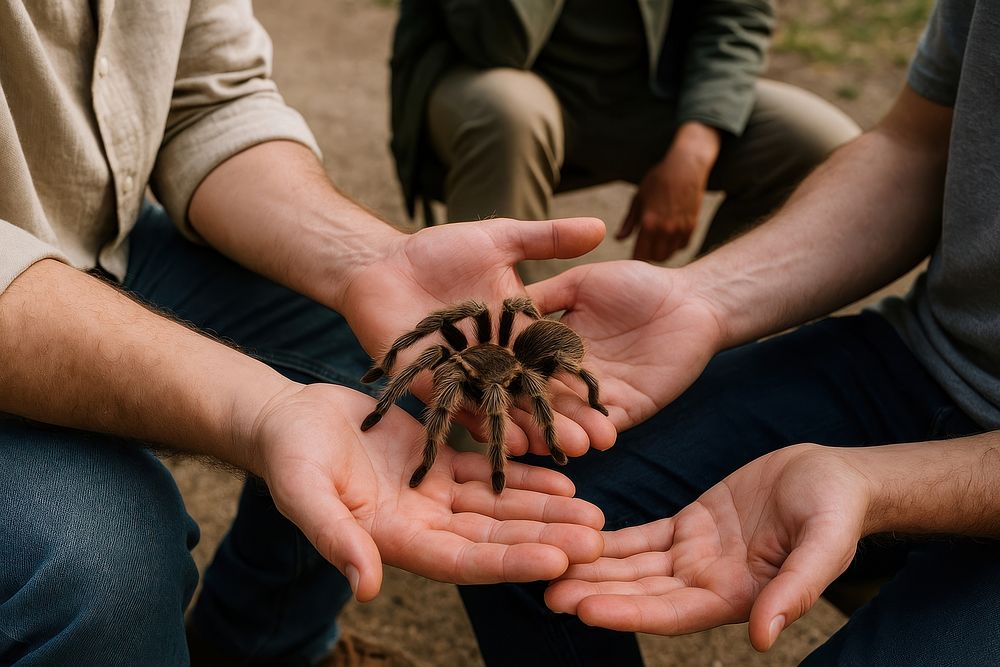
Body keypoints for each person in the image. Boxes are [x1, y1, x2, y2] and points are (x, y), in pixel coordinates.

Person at [0, 2, 616, 665]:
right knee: (112, 565)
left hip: (99, 234)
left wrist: (371, 263)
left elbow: (209, 100)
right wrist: (263, 409)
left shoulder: (507, 355)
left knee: (374, 339)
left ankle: (257, 646)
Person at [456, 0, 1000, 664]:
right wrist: (701, 297)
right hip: (925, 357)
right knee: (507, 514)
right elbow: (917, 143)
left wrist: (876, 481)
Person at [390, 0, 860, 263]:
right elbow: (496, 43)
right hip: (498, 80)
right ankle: (497, 377)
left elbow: (736, 17)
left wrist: (695, 147)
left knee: (821, 145)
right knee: (510, 113)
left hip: (643, 96)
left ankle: (708, 352)